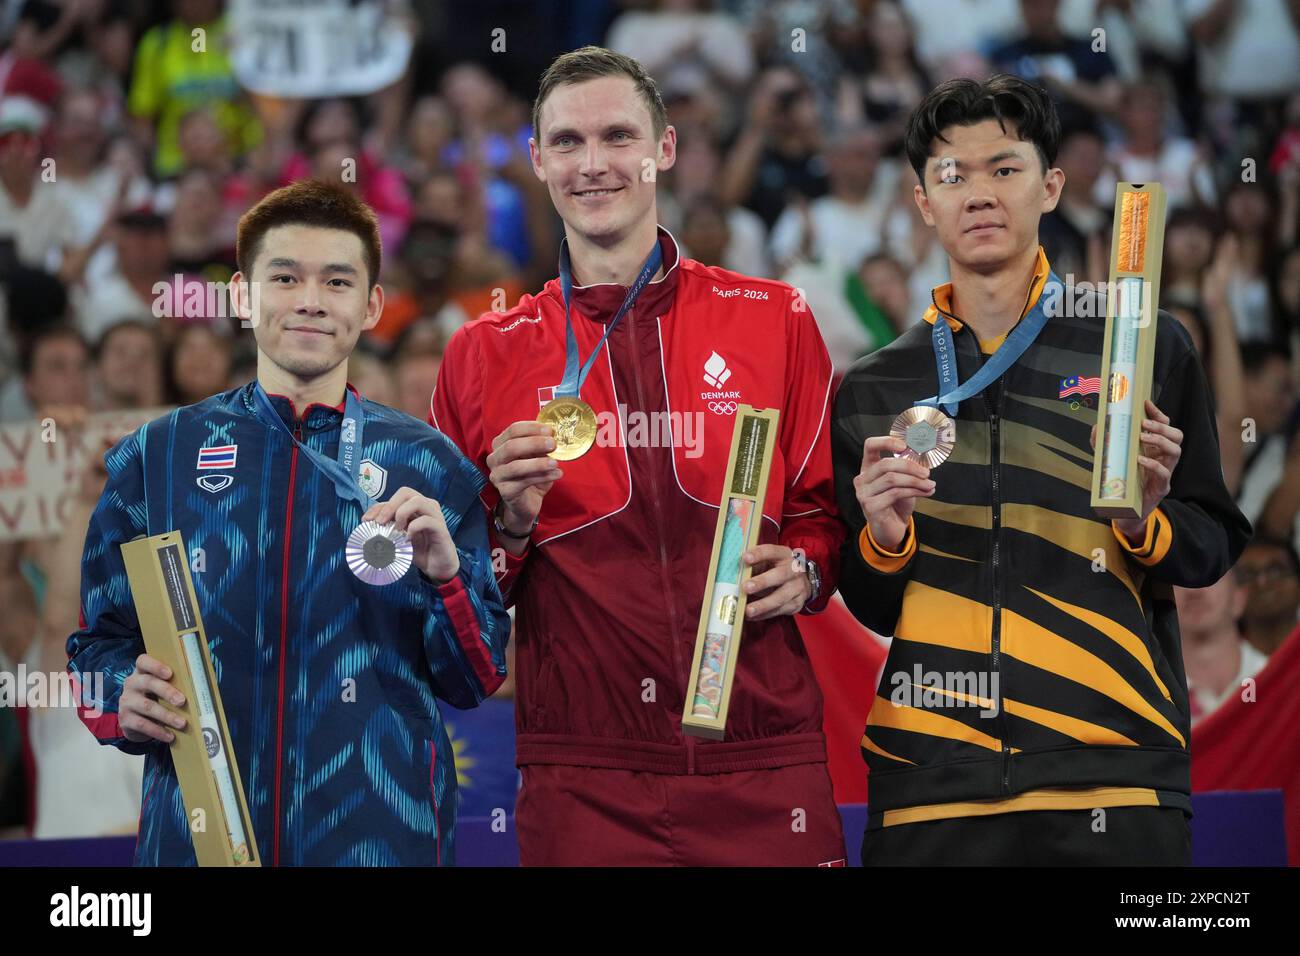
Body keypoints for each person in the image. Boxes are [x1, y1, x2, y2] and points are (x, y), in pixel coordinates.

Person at [432, 46, 846, 866]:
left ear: (664, 148)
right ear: (538, 161)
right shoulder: (485, 353)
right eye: (568, 143)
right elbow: (464, 597)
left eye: (619, 137)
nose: (594, 165)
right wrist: (509, 527)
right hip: (584, 774)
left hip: (761, 754)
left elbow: (820, 513)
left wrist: (805, 569)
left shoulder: (773, 318)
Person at [833, 74, 1251, 865]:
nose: (979, 192)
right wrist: (885, 539)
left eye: (1004, 168)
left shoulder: (1142, 347)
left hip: (1114, 772)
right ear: (922, 201)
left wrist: (1143, 522)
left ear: (1052, 186)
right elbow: (874, 602)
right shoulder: (873, 386)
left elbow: (1212, 541)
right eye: (951, 175)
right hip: (930, 780)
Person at [67, 180, 510, 866]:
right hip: (201, 841)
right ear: (243, 297)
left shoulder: (428, 464)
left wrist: (447, 576)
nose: (309, 299)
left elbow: (474, 676)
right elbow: (95, 647)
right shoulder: (159, 456)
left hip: (381, 841)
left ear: (371, 307)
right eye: (285, 277)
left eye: (337, 281)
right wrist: (120, 696)